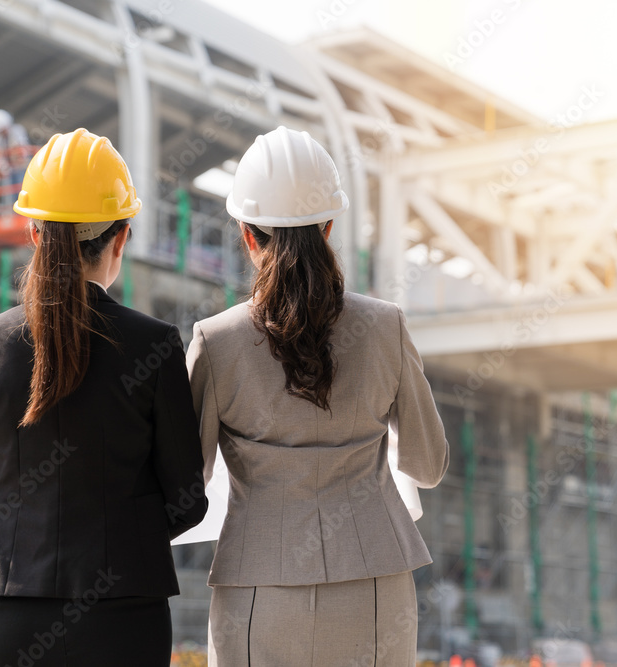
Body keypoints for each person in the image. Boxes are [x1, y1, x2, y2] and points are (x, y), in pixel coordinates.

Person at [0, 128, 207, 666]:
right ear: (120, 237)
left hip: (5, 618)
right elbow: (188, 501)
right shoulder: (154, 345)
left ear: (34, 233)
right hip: (125, 621)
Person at [186, 126, 449, 666]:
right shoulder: (385, 326)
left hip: (256, 582)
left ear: (247, 234)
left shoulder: (217, 342)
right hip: (375, 575)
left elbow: (187, 481)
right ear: (328, 226)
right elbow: (427, 465)